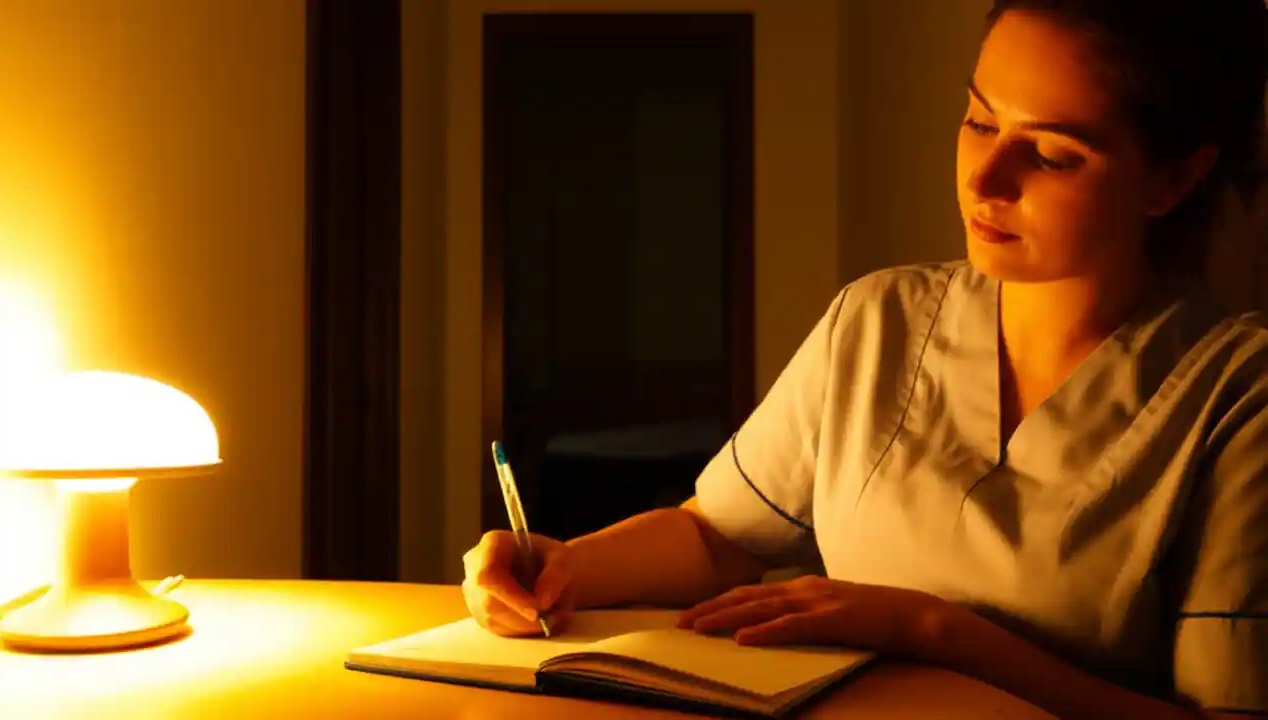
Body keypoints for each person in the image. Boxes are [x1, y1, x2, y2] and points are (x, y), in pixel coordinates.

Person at [461, 1, 1268, 716]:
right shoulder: (879, 319)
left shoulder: (1236, 393)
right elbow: (718, 538)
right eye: (981, 121)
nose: (986, 178)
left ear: (1173, 178)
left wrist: (928, 627)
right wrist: (562, 565)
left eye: (1052, 155)